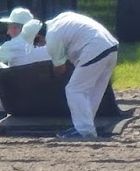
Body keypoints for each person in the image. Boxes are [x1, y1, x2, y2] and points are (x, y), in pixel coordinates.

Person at [38, 11, 119, 140]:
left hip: (95, 49)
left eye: (36, 41)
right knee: (92, 91)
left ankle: (84, 130)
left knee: (74, 90)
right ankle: (86, 127)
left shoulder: (52, 37)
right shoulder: (59, 20)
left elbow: (60, 69)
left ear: (39, 35)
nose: (39, 45)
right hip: (111, 47)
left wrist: (50, 76)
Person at [0, 7, 45, 122]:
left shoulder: (13, 45)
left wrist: (1, 80)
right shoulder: (45, 43)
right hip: (43, 92)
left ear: (18, 28)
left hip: (20, 93)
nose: (7, 32)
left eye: (10, 28)